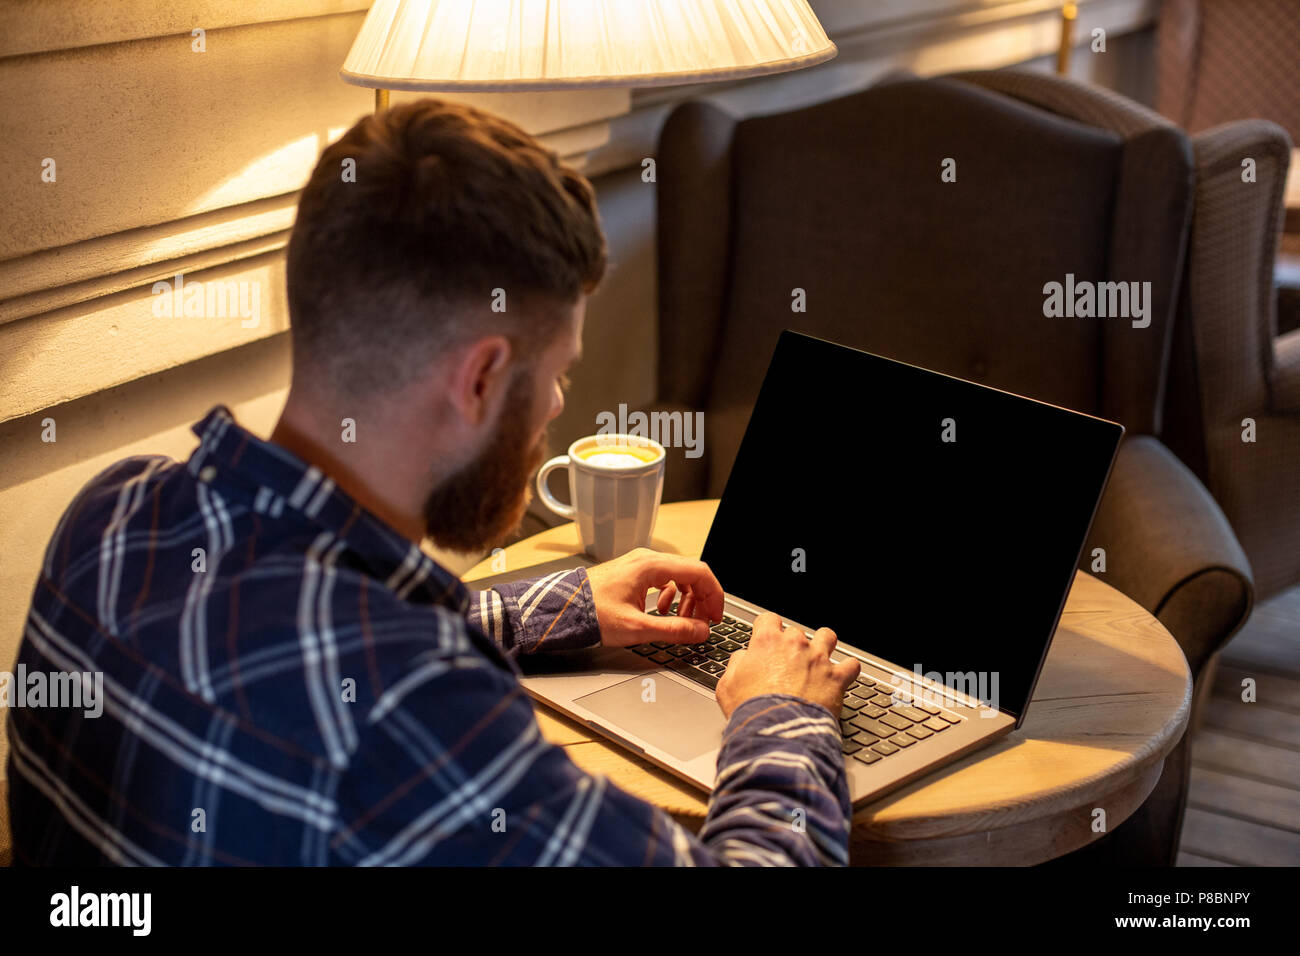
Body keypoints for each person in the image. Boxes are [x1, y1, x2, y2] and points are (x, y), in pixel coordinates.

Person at [6, 99, 859, 866]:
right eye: (557, 375)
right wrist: (782, 714)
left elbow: (302, 628)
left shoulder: (113, 513)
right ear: (481, 379)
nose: (556, 408)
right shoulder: (420, 712)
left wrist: (553, 610)